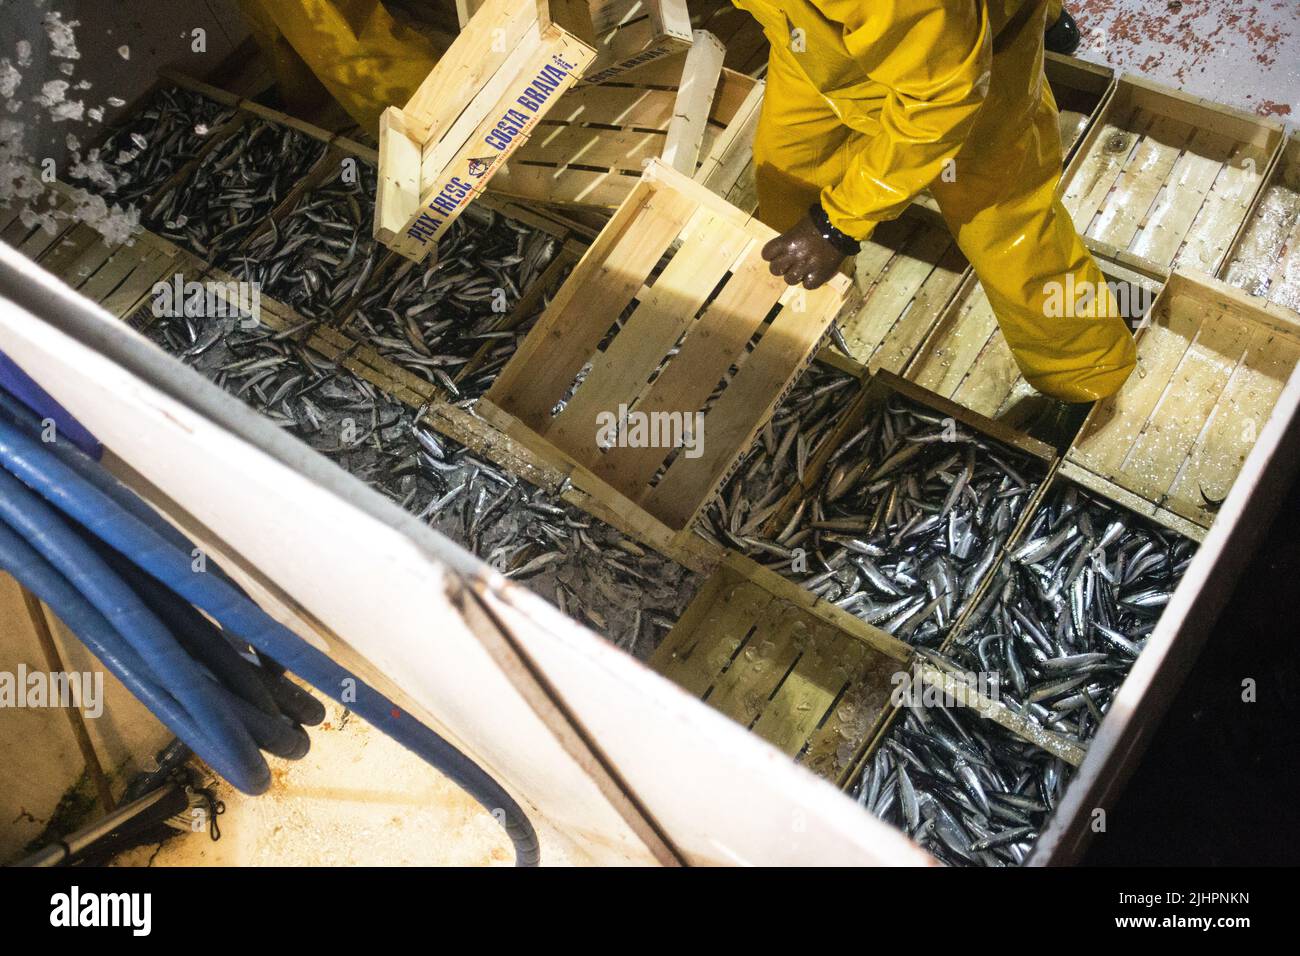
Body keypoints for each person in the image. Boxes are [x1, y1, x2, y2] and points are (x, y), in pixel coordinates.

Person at [750, 0, 1134, 404]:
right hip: (813, 40)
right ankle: (804, 322)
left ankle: (1089, 372)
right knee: (787, 174)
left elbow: (945, 96)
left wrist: (836, 225)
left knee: (1004, 226)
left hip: (957, 73)